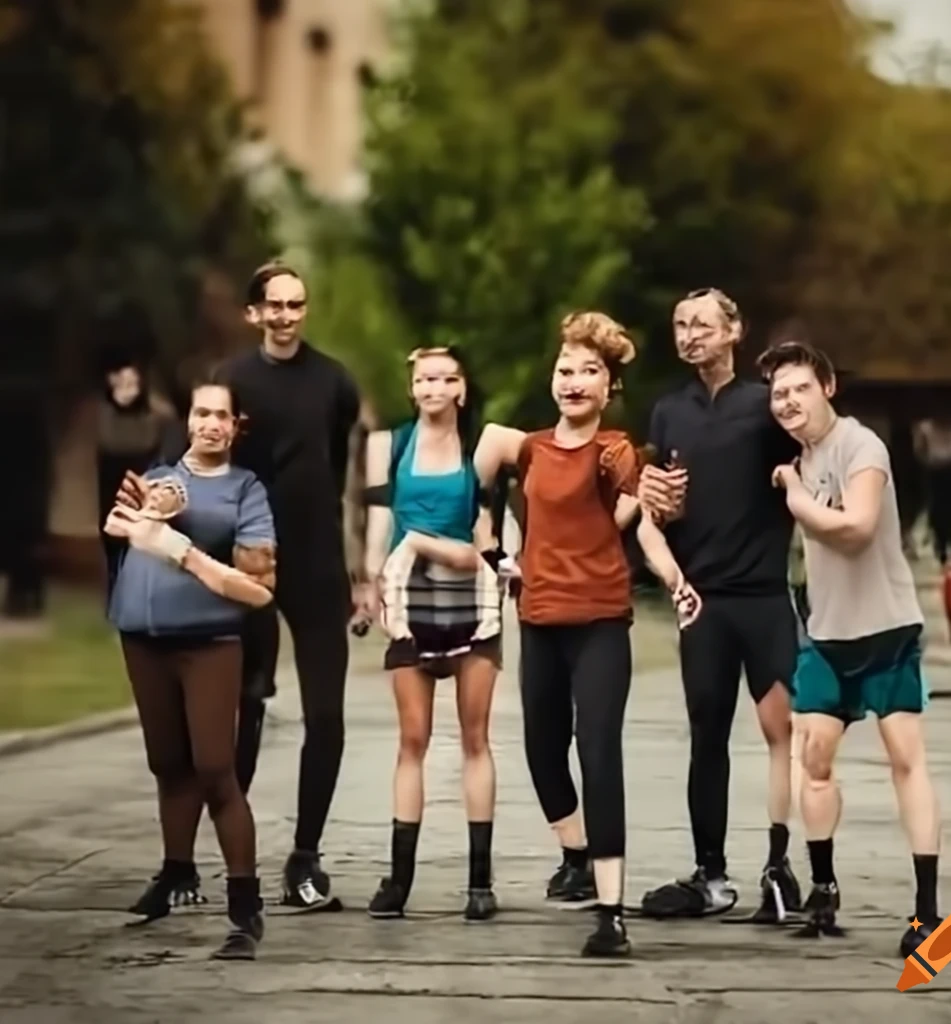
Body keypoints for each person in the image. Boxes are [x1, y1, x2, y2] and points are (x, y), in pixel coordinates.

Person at [475, 311, 681, 958]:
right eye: (566, 369)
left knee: (598, 752)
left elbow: (645, 501)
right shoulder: (530, 447)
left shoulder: (616, 450)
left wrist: (665, 517)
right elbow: (481, 459)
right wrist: (492, 552)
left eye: (590, 372)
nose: (574, 381)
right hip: (537, 619)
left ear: (609, 386)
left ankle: (611, 912)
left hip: (597, 620)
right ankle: (576, 852)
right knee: (541, 752)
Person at [758, 340, 942, 956]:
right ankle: (824, 888)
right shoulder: (799, 461)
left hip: (887, 629)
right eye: (779, 394)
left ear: (827, 388)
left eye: (800, 389)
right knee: (813, 760)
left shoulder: (862, 446)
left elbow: (858, 528)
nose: (789, 402)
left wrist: (797, 498)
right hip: (828, 635)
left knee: (904, 759)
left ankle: (927, 913)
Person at [637, 288, 804, 923]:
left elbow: (809, 467)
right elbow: (653, 506)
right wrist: (659, 506)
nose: (689, 335)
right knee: (706, 736)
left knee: (782, 734)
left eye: (702, 324)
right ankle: (710, 875)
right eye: (680, 324)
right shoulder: (668, 412)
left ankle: (781, 864)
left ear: (735, 331)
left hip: (762, 596)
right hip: (702, 603)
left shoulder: (767, 407)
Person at [105, 378, 276, 960]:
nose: (209, 424)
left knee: (213, 768)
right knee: (167, 763)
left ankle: (244, 906)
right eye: (200, 413)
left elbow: (258, 585)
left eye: (220, 416)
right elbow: (118, 531)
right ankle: (176, 872)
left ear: (235, 426)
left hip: (208, 641)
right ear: (189, 420)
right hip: (140, 637)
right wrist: (136, 515)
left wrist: (177, 537)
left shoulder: (244, 490)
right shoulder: (154, 476)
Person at [217, 261, 369, 909]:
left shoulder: (334, 382)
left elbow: (343, 474)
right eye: (273, 306)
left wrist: (360, 570)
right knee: (245, 706)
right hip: (248, 557)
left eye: (295, 304)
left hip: (315, 561)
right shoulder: (231, 380)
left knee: (327, 717)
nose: (285, 315)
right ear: (254, 314)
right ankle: (237, 857)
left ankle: (304, 858)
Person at [362, 346, 504, 921]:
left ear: (462, 390)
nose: (435, 387)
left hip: (470, 596)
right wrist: (369, 582)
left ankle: (478, 881)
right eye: (424, 378)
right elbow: (377, 523)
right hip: (407, 598)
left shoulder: (481, 452)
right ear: (412, 387)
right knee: (412, 740)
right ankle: (399, 880)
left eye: (447, 378)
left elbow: (483, 546)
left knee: (475, 738)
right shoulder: (387, 447)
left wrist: (427, 543)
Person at [96, 359, 183, 599]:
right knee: (113, 543)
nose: (127, 388)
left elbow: (168, 450)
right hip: (111, 488)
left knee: (142, 544)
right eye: (121, 381)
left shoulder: (158, 415)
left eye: (132, 382)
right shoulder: (103, 413)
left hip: (145, 484)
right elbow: (107, 443)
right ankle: (116, 594)